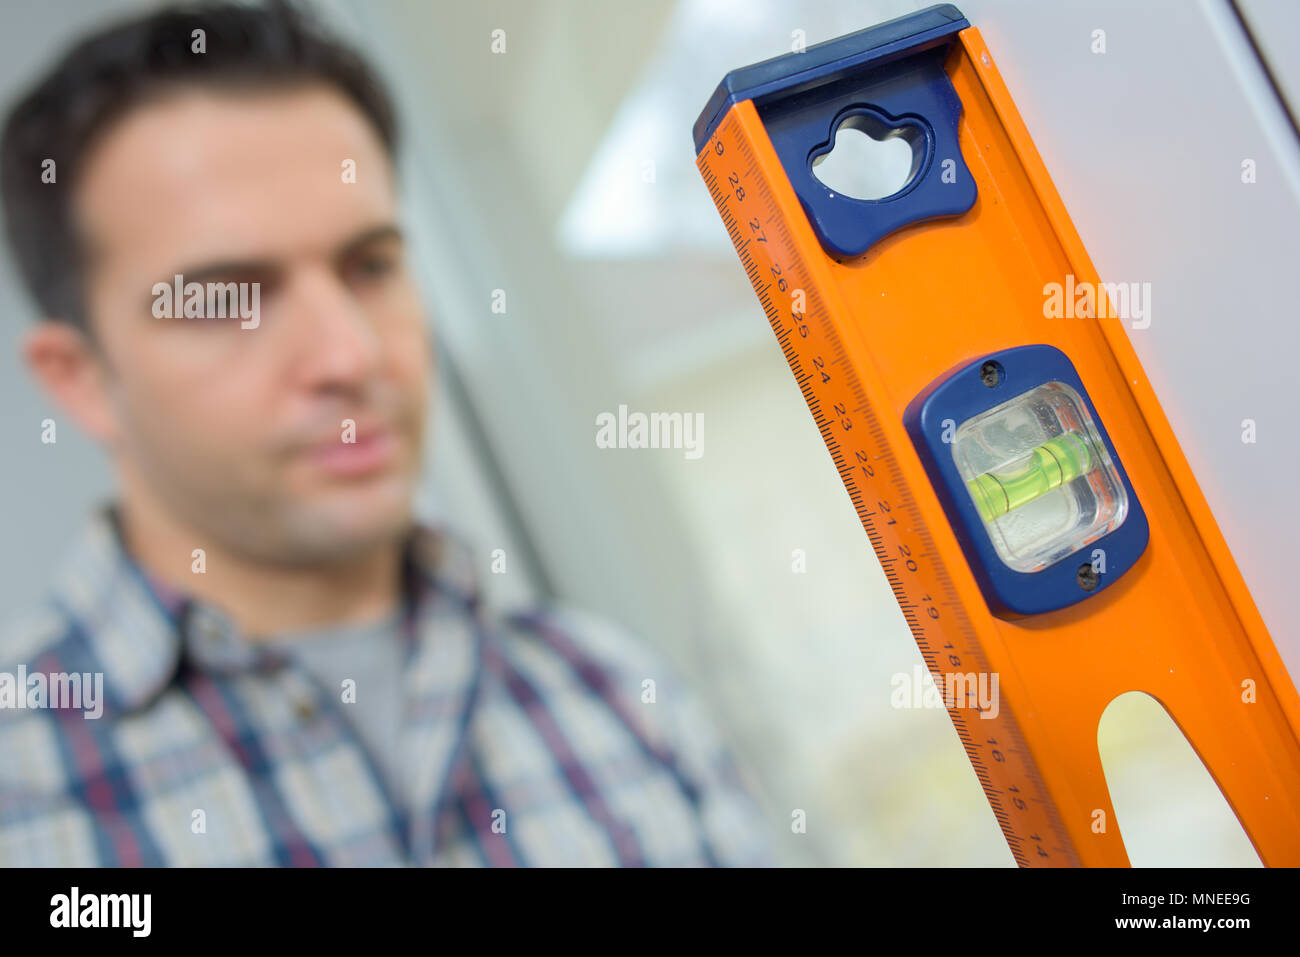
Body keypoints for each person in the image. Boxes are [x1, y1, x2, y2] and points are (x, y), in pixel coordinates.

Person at [0, 0, 769, 866]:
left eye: (371, 265)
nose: (351, 353)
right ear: (81, 379)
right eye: (229, 297)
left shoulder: (619, 693)